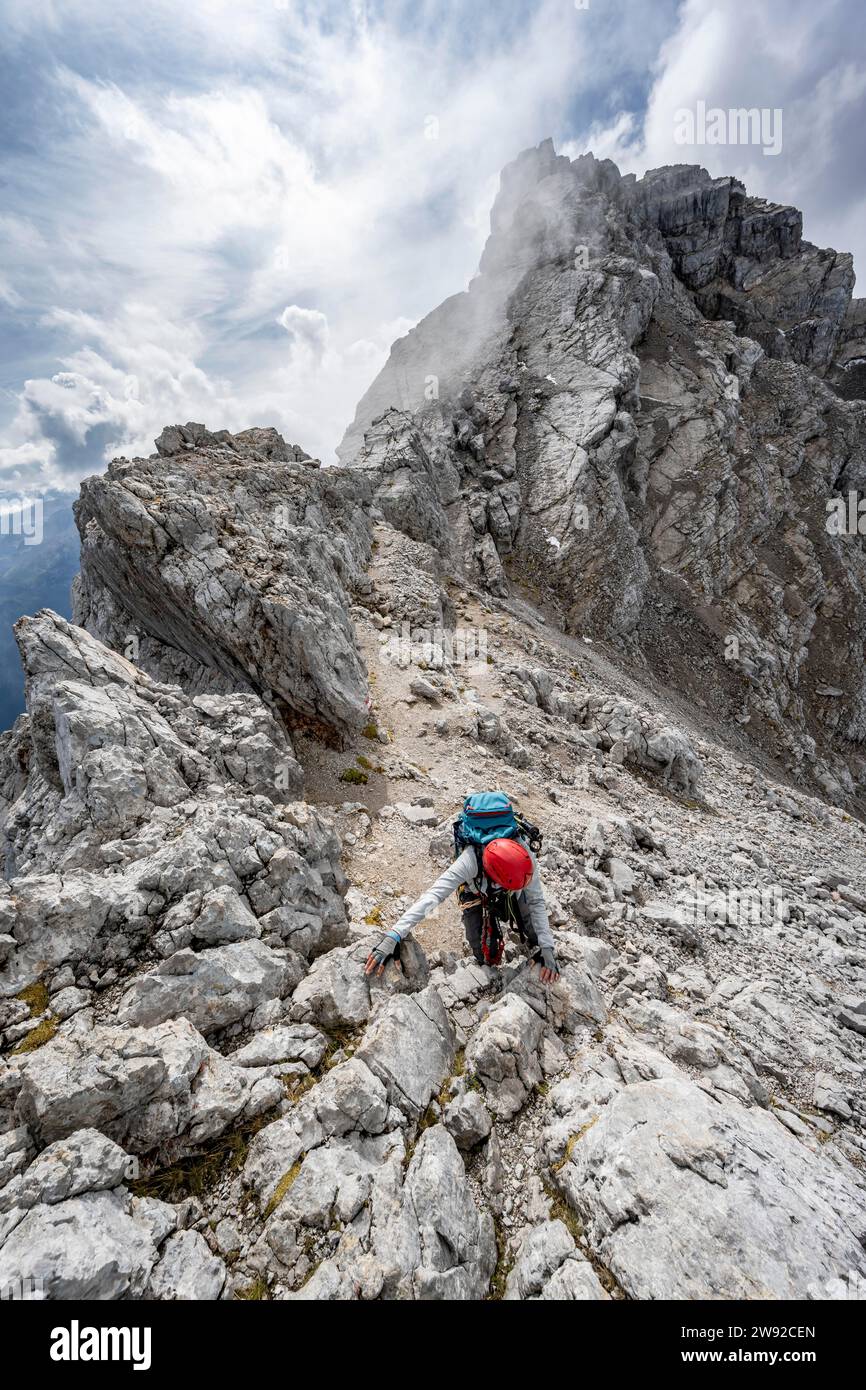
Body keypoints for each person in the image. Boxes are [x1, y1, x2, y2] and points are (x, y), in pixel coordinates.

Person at [364, 832, 560, 982]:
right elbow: (433, 896)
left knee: (531, 921)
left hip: (511, 887)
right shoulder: (469, 861)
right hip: (475, 892)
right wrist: (394, 935)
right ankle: (486, 961)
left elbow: (535, 901)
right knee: (483, 954)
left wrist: (547, 946)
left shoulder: (526, 859)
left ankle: (537, 946)